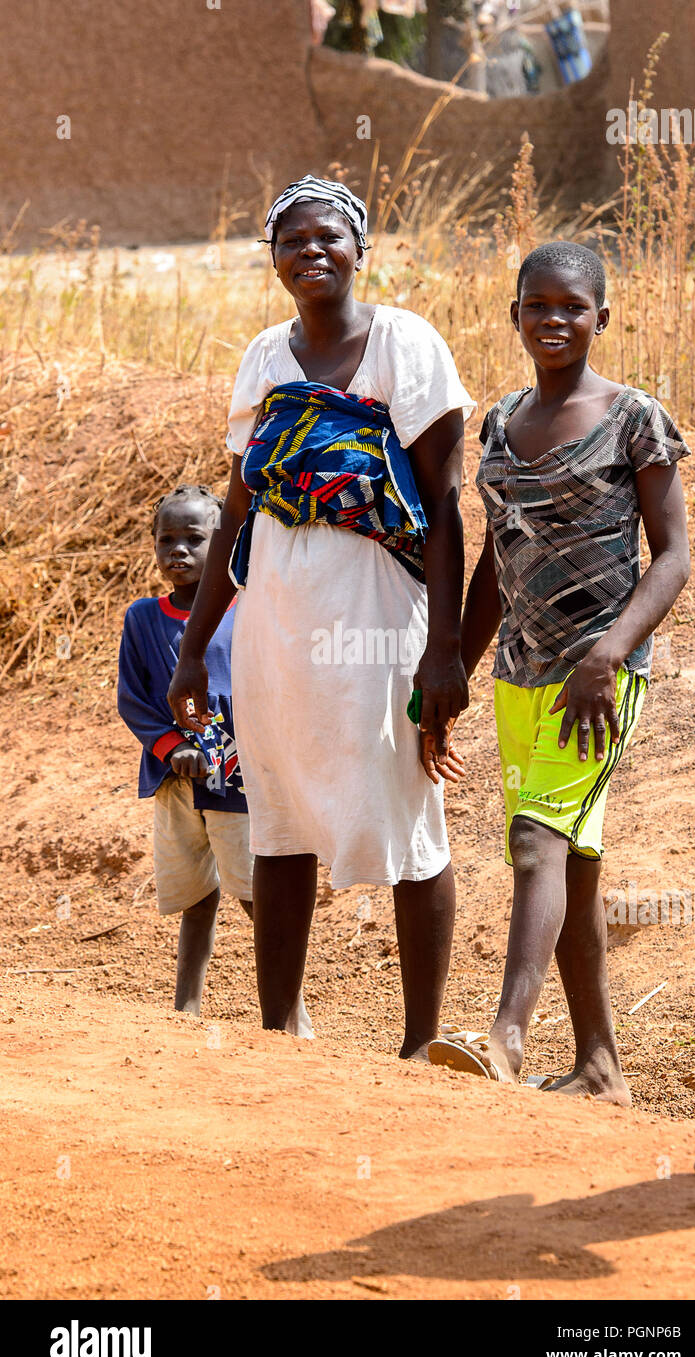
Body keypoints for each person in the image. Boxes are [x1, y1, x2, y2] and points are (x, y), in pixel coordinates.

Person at [167, 174, 476, 1058]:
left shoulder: (404, 346)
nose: (310, 251)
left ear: (359, 249)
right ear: (272, 258)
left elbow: (445, 504)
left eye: (328, 236)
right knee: (280, 811)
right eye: (291, 240)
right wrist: (195, 651)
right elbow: (235, 513)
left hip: (379, 618)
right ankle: (278, 1034)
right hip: (276, 622)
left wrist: (445, 647)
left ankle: (418, 1046)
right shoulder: (265, 356)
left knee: (405, 815)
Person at [426, 241, 691, 1104]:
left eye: (571, 306)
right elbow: (495, 567)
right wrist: (453, 677)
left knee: (534, 838)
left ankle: (503, 1038)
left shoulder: (633, 417)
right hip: (517, 677)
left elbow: (673, 559)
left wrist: (607, 655)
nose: (552, 320)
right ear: (514, 316)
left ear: (600, 318)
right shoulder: (499, 425)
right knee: (569, 865)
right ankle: (600, 1068)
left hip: (600, 682)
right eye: (535, 305)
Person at [118, 484, 254, 1016]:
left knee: (253, 893)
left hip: (238, 781)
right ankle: (186, 1010)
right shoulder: (143, 620)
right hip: (175, 783)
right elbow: (134, 700)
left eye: (195, 539)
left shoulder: (248, 611)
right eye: (166, 539)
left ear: (222, 543)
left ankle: (288, 1011)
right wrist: (173, 747)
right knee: (196, 896)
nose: (178, 550)